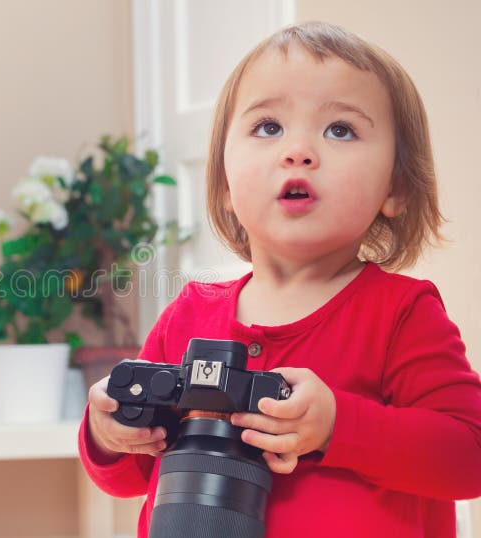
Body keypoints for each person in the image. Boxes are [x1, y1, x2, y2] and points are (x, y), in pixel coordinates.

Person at [78, 21, 481, 538]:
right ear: (225, 185)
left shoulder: (400, 313)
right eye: (268, 127)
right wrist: (107, 433)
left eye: (340, 129)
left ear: (395, 187)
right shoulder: (189, 314)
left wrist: (338, 425)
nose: (299, 150)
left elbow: (468, 455)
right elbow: (129, 475)